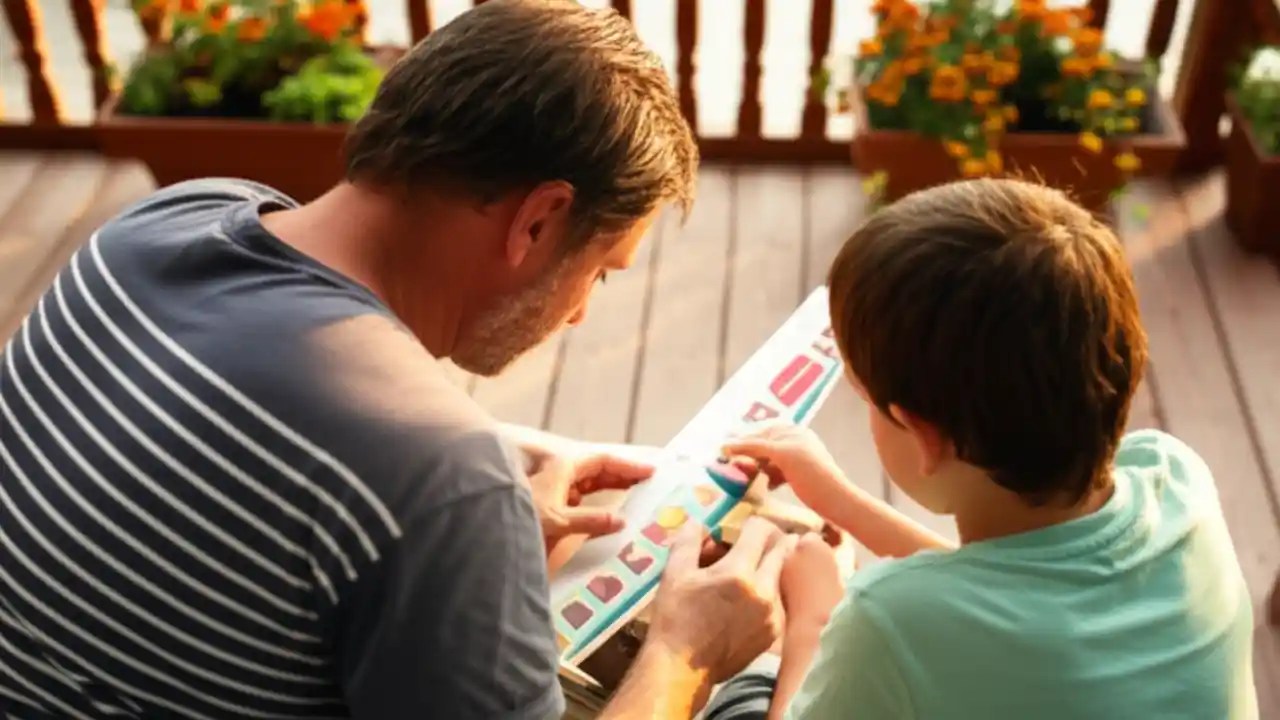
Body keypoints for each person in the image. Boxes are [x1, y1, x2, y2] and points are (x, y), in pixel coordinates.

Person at [0, 2, 790, 718]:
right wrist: (686, 653)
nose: (582, 311)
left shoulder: (163, 225)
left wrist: (472, 545)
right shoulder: (436, 477)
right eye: (599, 270)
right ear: (540, 221)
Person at [715, 178, 1258, 719]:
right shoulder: (1175, 479)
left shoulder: (886, 625)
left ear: (921, 434)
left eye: (868, 402)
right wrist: (842, 503)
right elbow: (1015, 598)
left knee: (745, 685)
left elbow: (970, 610)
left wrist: (811, 617)